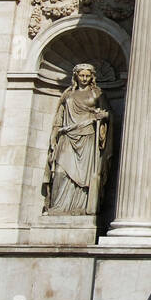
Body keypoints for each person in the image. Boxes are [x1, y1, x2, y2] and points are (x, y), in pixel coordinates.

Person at [44, 63, 111, 215]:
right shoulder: (67, 94)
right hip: (67, 136)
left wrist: (103, 116)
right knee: (61, 172)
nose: (84, 78)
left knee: (84, 176)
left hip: (88, 135)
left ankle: (81, 207)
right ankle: (58, 206)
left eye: (87, 76)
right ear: (76, 76)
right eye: (82, 75)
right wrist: (54, 138)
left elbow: (108, 113)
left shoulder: (97, 93)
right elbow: (58, 119)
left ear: (92, 77)